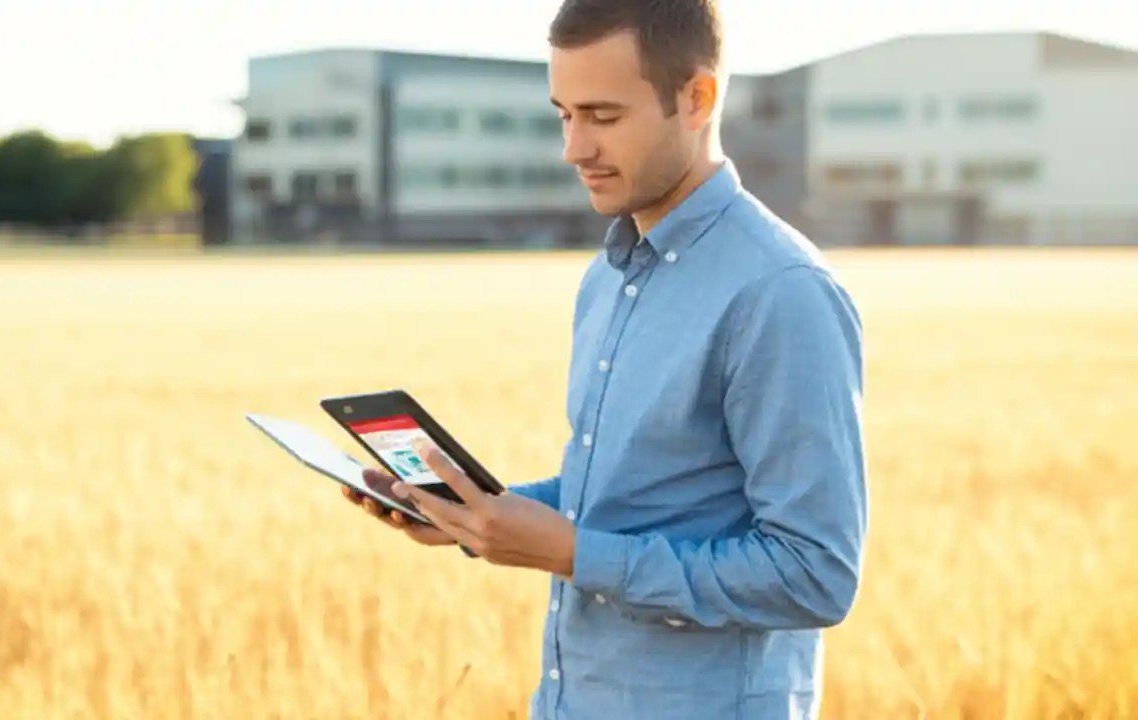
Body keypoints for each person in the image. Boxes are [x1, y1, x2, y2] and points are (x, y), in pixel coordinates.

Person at [342, 0, 869, 717]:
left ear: (697, 98)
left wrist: (571, 554)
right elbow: (625, 496)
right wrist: (479, 515)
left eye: (603, 116)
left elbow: (814, 575)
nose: (573, 148)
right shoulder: (610, 277)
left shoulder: (780, 293)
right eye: (564, 114)